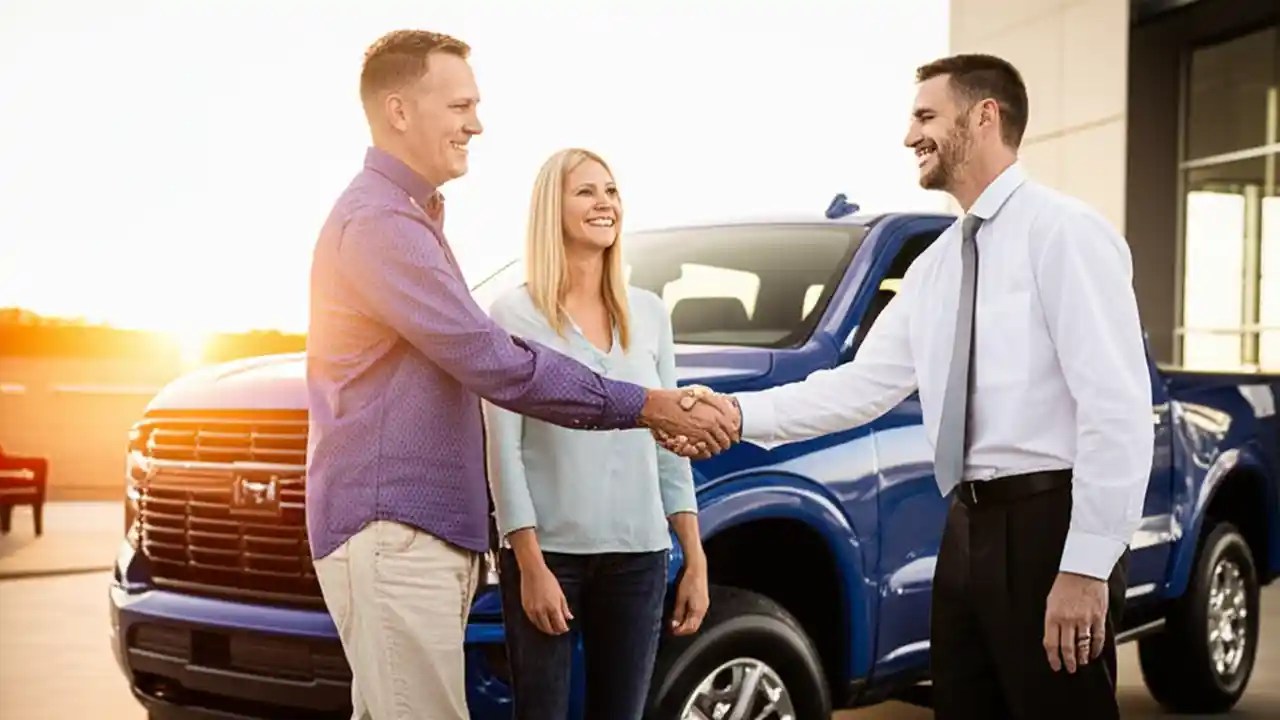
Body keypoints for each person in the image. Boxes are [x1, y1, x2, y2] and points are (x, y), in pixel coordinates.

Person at [667, 53, 1154, 719]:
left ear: (984, 117)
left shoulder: (1065, 235)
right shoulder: (938, 266)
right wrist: (732, 413)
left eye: (926, 116)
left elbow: (1116, 409)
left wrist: (1087, 565)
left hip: (1051, 524)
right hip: (963, 527)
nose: (909, 136)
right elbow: (859, 387)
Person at [304, 30, 737, 720]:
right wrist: (643, 404)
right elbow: (492, 361)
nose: (476, 124)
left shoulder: (409, 219)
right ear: (399, 111)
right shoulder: (381, 225)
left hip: (418, 534)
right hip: (396, 530)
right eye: (460, 106)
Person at [483, 147, 710, 720]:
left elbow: (671, 444)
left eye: (610, 191)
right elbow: (503, 450)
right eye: (585, 191)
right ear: (551, 208)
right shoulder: (512, 315)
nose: (604, 202)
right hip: (548, 557)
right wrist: (529, 565)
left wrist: (694, 556)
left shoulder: (650, 314)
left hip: (640, 557)